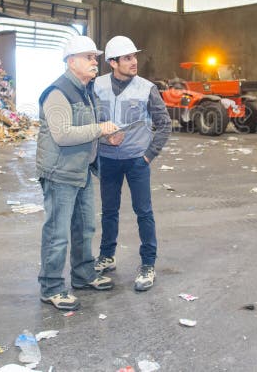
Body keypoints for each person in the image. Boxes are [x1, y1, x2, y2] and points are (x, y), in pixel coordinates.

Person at [36, 35, 121, 311]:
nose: (94, 62)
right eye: (88, 57)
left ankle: (83, 275)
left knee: (85, 227)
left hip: (81, 169)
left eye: (95, 57)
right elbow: (62, 135)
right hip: (60, 173)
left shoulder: (87, 90)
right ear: (71, 62)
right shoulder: (57, 92)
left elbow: (89, 127)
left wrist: (108, 136)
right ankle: (51, 286)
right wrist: (100, 130)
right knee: (57, 233)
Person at [93, 36, 171, 291]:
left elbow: (164, 125)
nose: (134, 61)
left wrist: (148, 155)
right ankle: (107, 256)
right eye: (127, 58)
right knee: (109, 211)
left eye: (134, 57)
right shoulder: (96, 86)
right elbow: (89, 120)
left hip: (137, 160)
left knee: (144, 212)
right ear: (113, 63)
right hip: (108, 159)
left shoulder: (147, 88)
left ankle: (148, 264)